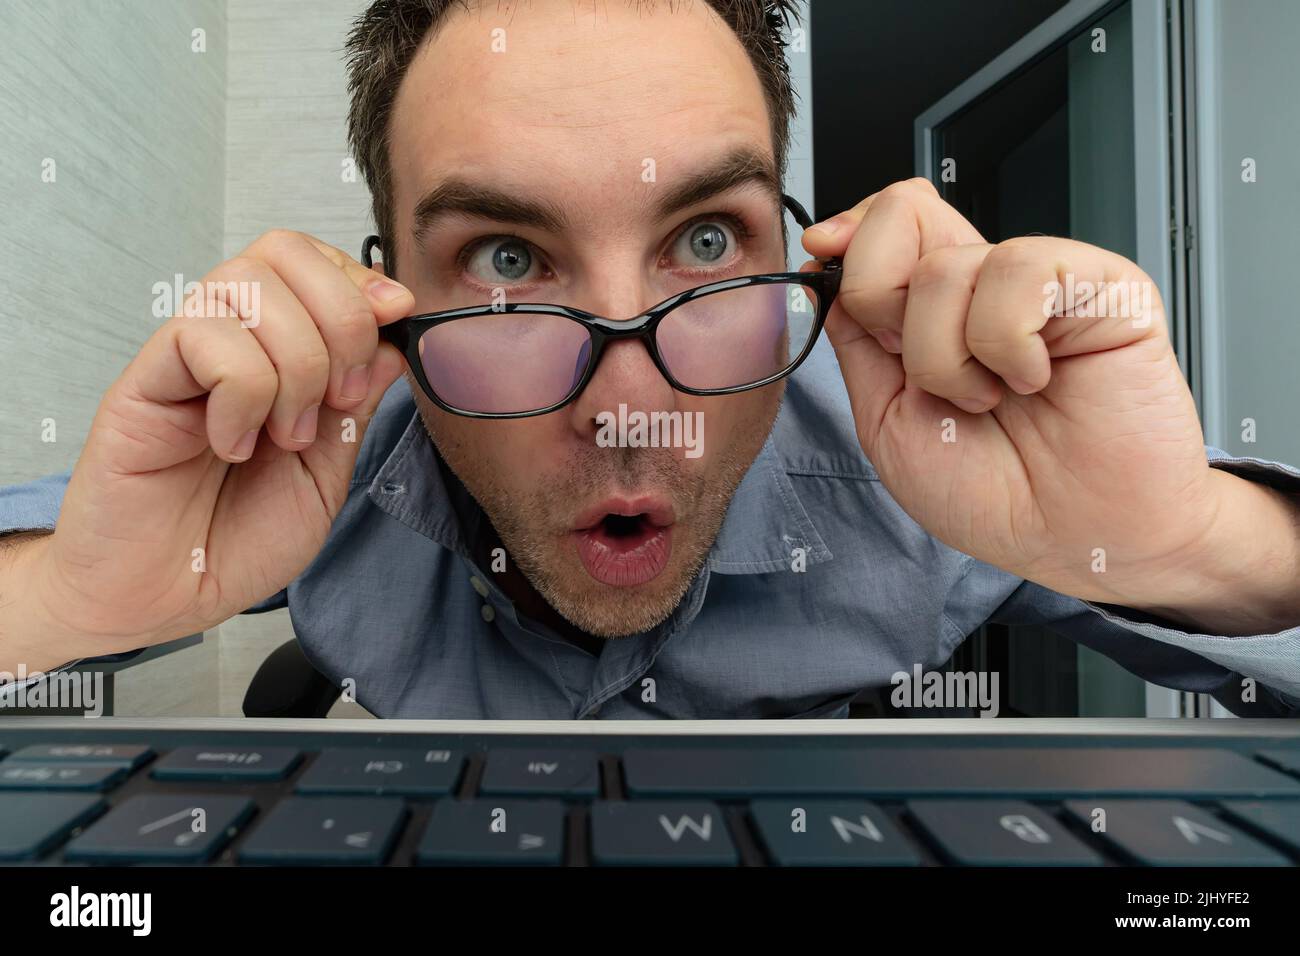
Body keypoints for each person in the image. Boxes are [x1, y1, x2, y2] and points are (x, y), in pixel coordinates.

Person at [2, 0, 1298, 718]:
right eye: (507, 260)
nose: (633, 405)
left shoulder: (939, 479)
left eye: (701, 237)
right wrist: (77, 600)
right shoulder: (315, 453)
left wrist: (1180, 544)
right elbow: (67, 578)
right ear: (380, 297)